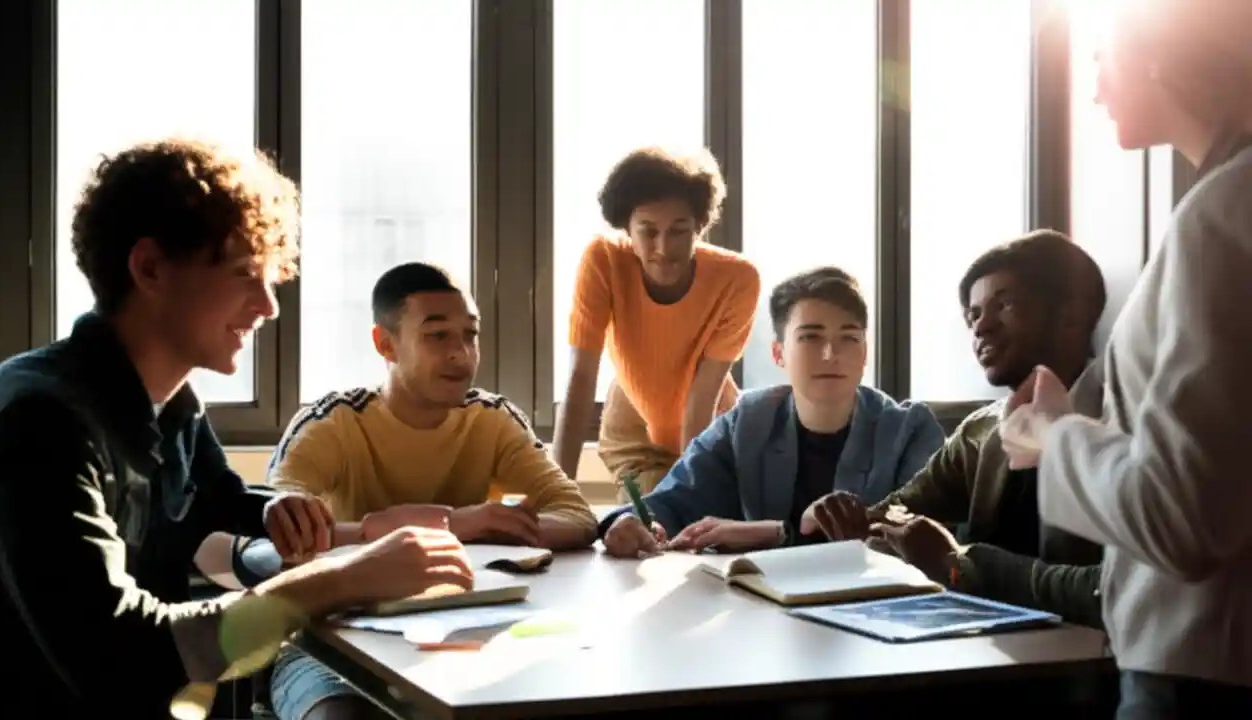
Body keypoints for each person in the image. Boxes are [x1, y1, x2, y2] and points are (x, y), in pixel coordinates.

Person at [0, 139, 473, 718]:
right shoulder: (41, 421)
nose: (269, 305)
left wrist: (273, 510)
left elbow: (216, 500)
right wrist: (341, 579)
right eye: (244, 275)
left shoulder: (170, 401)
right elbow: (120, 652)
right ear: (150, 268)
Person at [1000, 0, 1252, 715]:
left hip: (1202, 669)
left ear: (1155, 53)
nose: (1094, 89)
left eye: (1101, 58)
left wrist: (1056, 436)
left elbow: (1182, 516)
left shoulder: (1221, 219)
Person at [259, 262, 597, 720]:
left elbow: (578, 518)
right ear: (385, 344)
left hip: (467, 636)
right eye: (437, 336)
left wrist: (489, 528)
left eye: (470, 335)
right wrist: (453, 524)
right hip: (332, 643)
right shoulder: (336, 420)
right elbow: (276, 534)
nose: (461, 354)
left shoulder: (493, 419)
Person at [810, 231, 1108, 628]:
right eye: (973, 314)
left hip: (1092, 665)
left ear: (1072, 314)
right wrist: (836, 522)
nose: (981, 327)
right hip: (986, 650)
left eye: (1004, 305)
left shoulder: (1127, 424)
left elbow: (1113, 589)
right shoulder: (981, 430)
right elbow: (898, 512)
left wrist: (958, 564)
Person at [601, 267, 944, 558]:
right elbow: (675, 500)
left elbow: (924, 537)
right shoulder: (748, 422)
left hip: (878, 613)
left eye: (849, 338)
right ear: (779, 354)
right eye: (811, 338)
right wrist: (630, 523)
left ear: (865, 352)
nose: (830, 354)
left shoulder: (909, 430)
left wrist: (779, 533)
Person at [552, 146, 761, 498]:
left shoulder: (737, 279)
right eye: (648, 231)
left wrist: (692, 493)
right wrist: (556, 492)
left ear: (699, 226)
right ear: (627, 229)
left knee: (708, 512)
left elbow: (704, 393)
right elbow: (581, 376)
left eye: (679, 231)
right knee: (645, 511)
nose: (664, 247)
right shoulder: (603, 260)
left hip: (709, 415)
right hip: (633, 419)